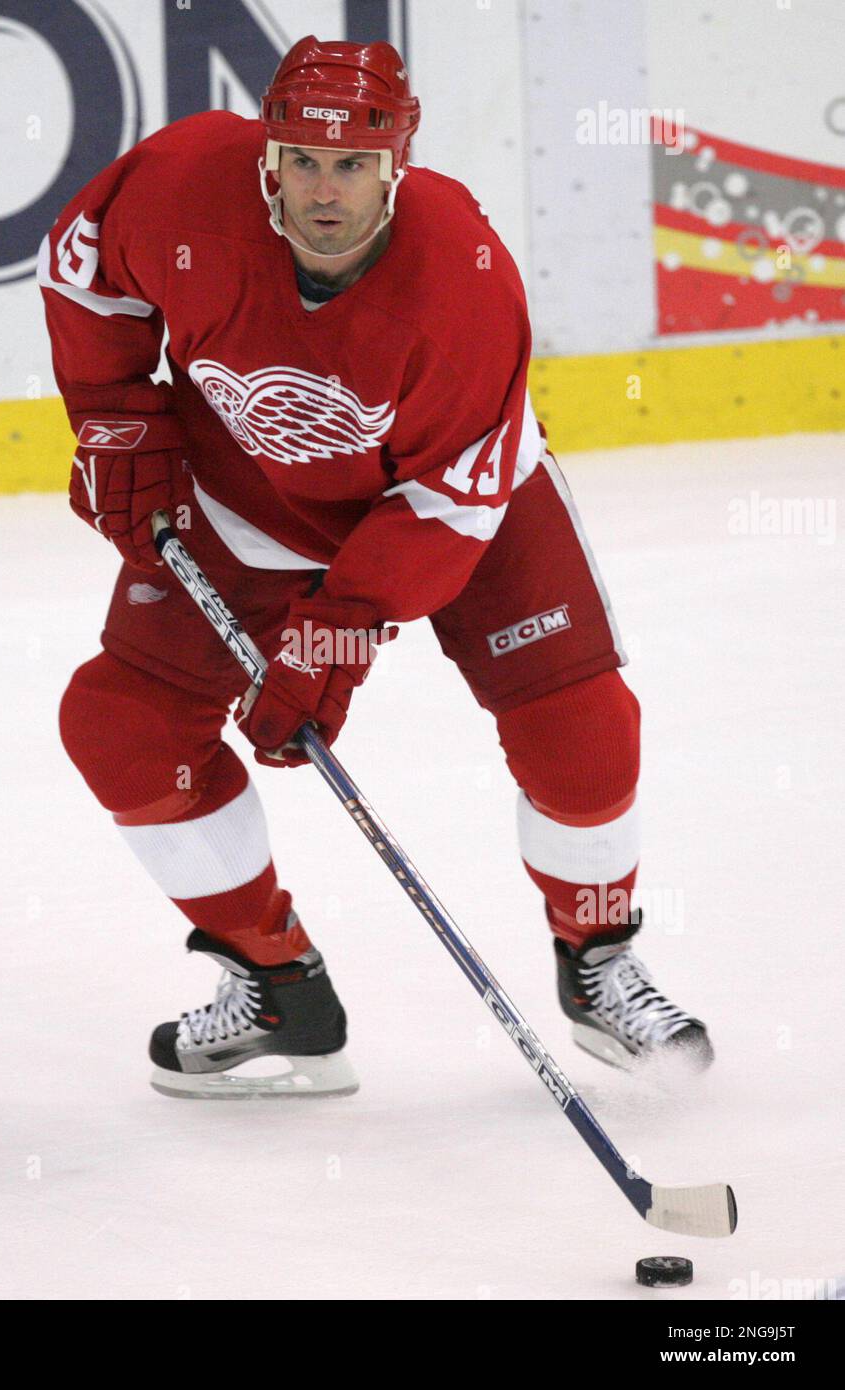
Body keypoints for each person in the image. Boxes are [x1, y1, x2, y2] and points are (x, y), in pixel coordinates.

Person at [39, 35, 713, 1097]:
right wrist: (117, 421)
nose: (322, 192)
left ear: (395, 162)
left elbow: (452, 497)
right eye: (299, 161)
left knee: (580, 725)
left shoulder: (463, 276)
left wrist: (335, 628)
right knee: (119, 726)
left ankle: (597, 958)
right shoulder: (180, 187)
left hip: (451, 504)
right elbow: (83, 273)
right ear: (267, 154)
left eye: (351, 166)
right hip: (237, 497)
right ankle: (272, 983)